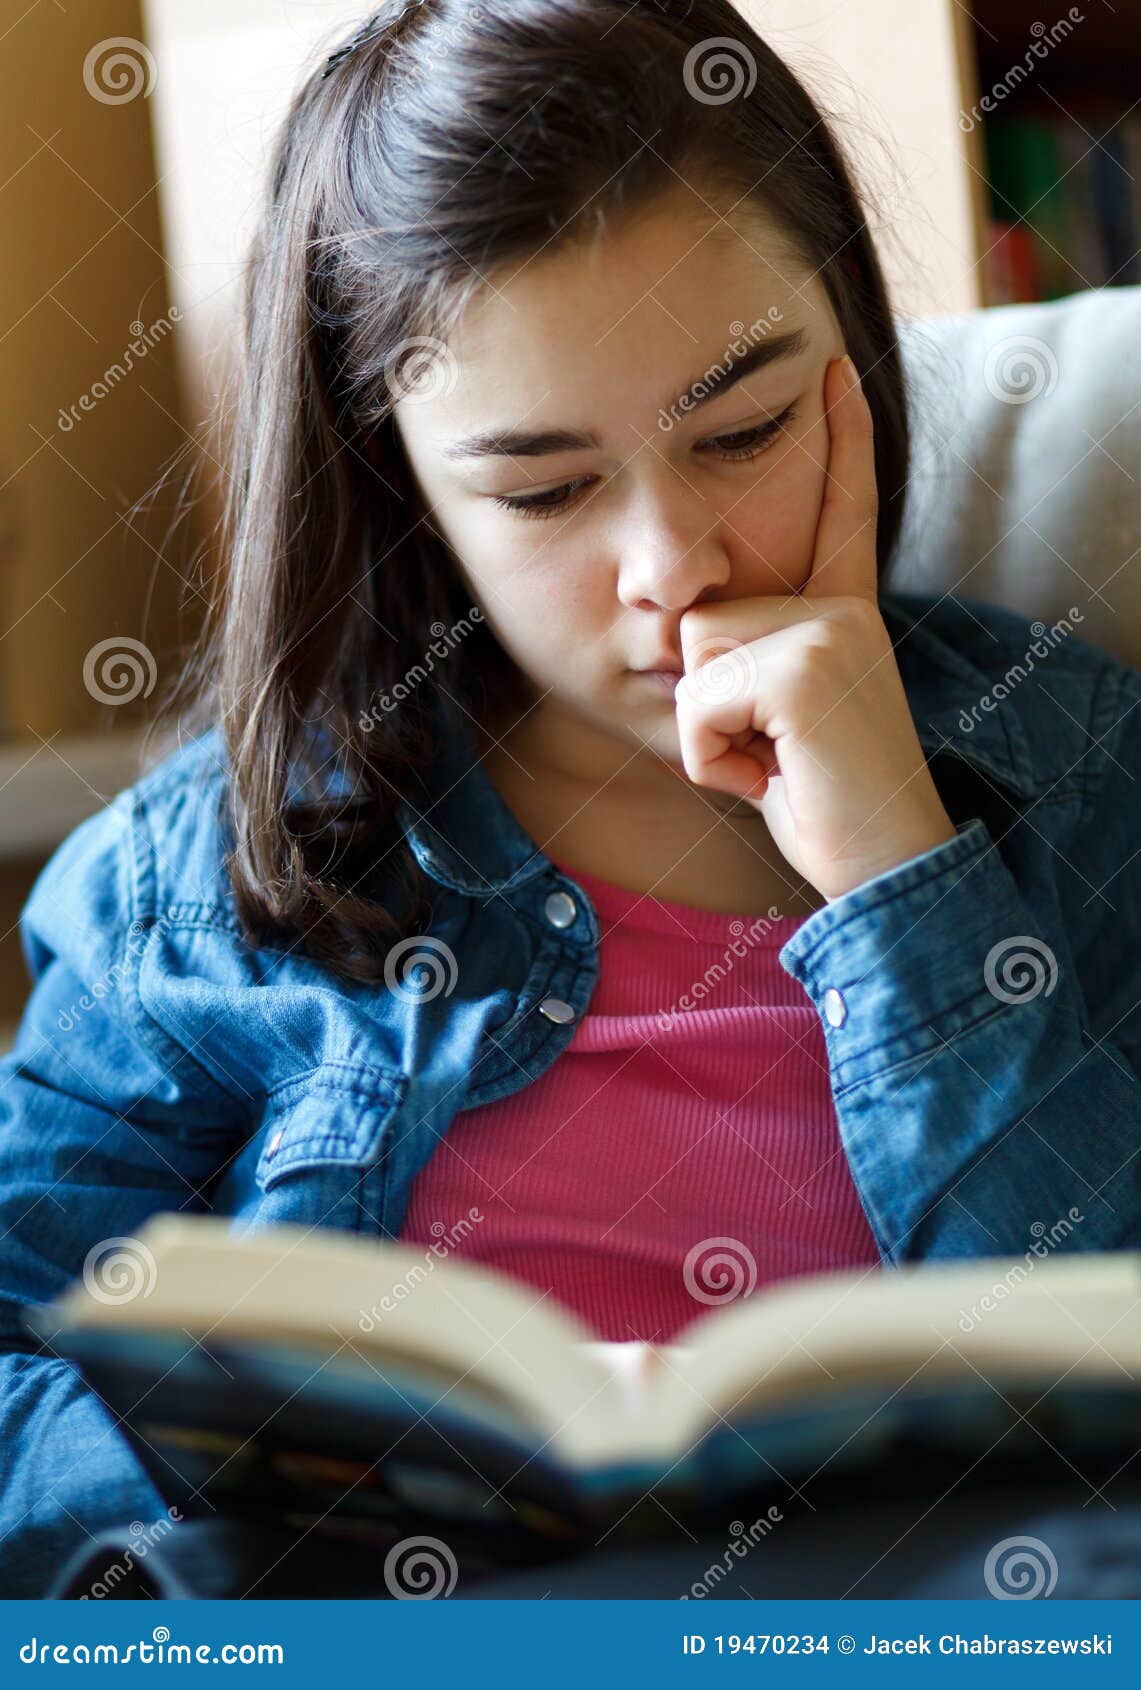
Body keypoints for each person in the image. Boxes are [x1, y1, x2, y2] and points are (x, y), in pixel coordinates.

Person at [1, 0, 1138, 1598]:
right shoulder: (201, 882)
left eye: (742, 429)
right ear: (398, 476)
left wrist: (901, 871)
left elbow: (1104, 1400)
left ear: (857, 362)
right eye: (542, 488)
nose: (669, 566)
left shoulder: (1078, 771)